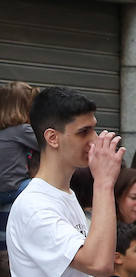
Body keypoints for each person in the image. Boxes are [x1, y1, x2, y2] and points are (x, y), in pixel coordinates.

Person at [4, 86, 124, 277]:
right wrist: (104, 182)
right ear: (52, 138)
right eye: (83, 132)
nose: (94, 140)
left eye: (94, 129)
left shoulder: (64, 194)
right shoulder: (34, 207)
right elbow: (99, 264)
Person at [0, 81, 38, 277]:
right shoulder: (22, 130)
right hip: (14, 188)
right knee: (41, 187)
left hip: (2, 193)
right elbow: (47, 142)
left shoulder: (3, 130)